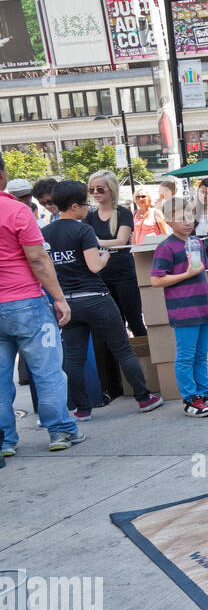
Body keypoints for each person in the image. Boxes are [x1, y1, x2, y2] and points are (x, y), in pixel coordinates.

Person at [43, 180, 163, 419]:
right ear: (74, 206)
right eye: (85, 203)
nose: (87, 207)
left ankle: (82, 408)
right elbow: (94, 266)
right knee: (122, 348)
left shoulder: (46, 232)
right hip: (96, 297)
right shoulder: (83, 230)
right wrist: (105, 257)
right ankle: (144, 397)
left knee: (73, 356)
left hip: (68, 301)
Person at [0, 154, 84, 454]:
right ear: (2, 175)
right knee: (47, 371)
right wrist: (59, 298)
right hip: (26, 302)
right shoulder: (16, 210)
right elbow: (38, 258)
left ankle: (5, 440)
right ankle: (60, 431)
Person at [149, 197, 208, 418]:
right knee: (186, 356)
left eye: (190, 216)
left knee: (201, 354)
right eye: (181, 217)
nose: (187, 221)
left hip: (202, 307)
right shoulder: (165, 247)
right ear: (168, 221)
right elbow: (156, 280)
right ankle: (190, 398)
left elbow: (202, 276)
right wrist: (185, 274)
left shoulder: (197, 242)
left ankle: (205, 393)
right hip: (183, 310)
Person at [85, 169, 145, 336]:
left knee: (134, 320)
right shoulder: (90, 214)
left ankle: (145, 351)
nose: (95, 193)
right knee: (113, 323)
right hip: (101, 275)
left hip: (124, 274)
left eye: (100, 189)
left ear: (111, 189)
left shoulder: (122, 213)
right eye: (92, 189)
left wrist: (97, 242)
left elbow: (121, 241)